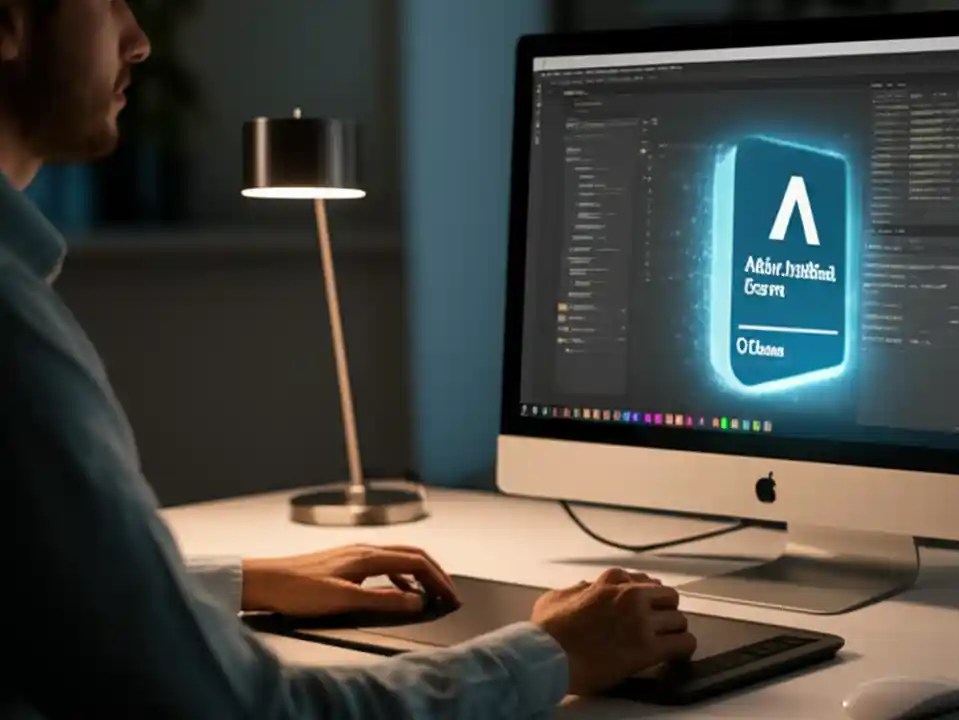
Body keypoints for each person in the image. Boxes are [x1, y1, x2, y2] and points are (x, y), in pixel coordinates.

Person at [0, 1, 696, 717]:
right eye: (108, 0)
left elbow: (40, 593)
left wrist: (248, 580)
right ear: (9, 23)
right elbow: (246, 711)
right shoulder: (15, 338)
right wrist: (550, 654)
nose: (140, 41)